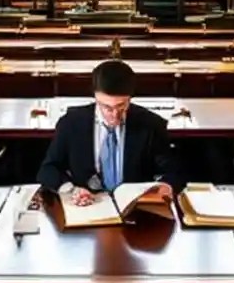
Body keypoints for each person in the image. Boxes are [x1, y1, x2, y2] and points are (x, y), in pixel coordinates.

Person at [37, 59, 185, 205]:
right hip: (87, 205)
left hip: (136, 208)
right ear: (95, 96)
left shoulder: (152, 125)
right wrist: (71, 190)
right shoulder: (70, 123)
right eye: (106, 107)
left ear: (130, 98)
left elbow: (174, 171)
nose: (114, 115)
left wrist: (165, 187)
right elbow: (48, 169)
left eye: (121, 106)